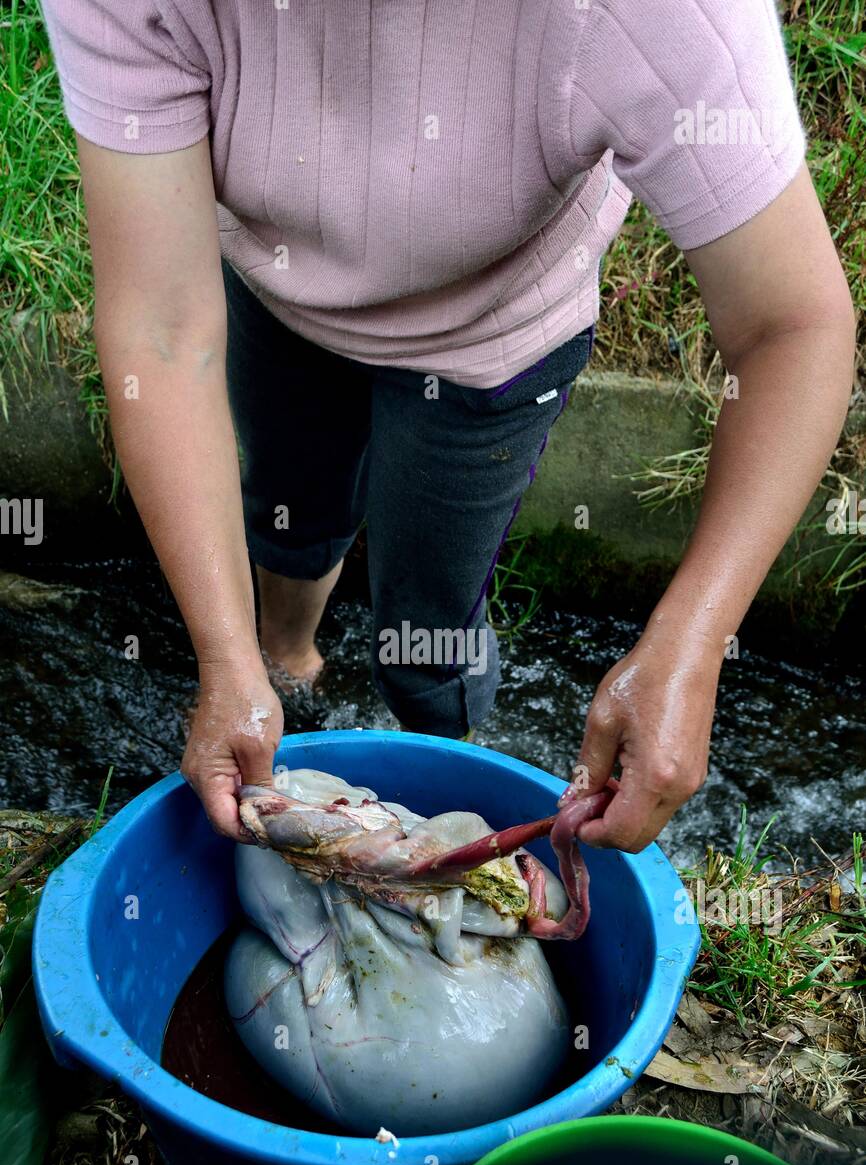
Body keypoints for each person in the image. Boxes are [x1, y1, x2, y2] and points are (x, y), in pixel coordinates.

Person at [41, 0, 855, 852]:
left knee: (426, 627)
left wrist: (691, 642)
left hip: (491, 342)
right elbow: (164, 333)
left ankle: (441, 760)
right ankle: (285, 659)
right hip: (276, 288)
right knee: (288, 511)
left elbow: (790, 327)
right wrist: (224, 657)